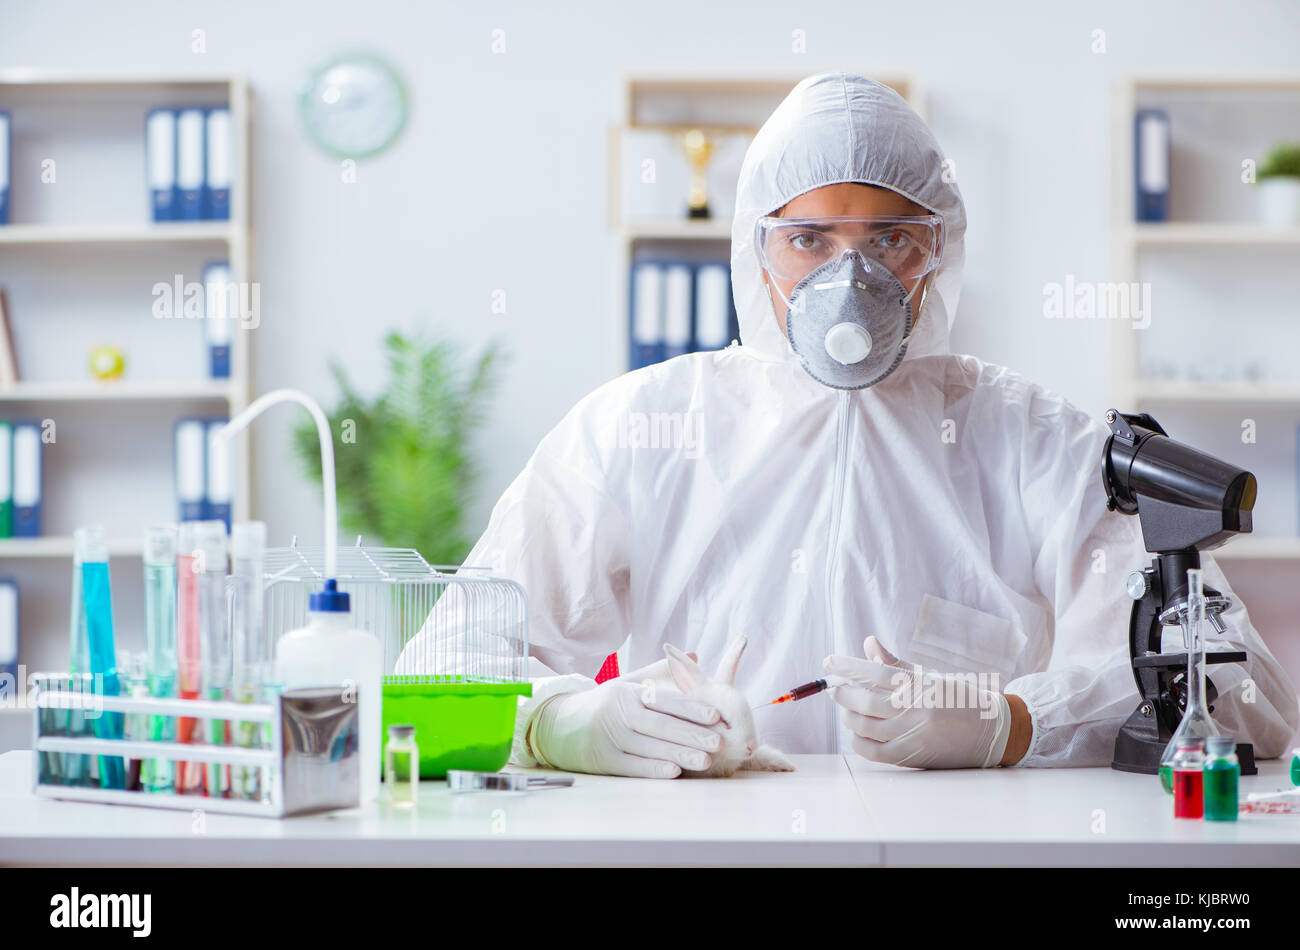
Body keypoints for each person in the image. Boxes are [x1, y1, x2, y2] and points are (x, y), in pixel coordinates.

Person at [403, 72, 1298, 776]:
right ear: (757, 251)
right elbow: (435, 678)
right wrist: (565, 721)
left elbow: (1241, 690)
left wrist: (1016, 722)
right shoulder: (642, 427)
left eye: (889, 239)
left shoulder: (1036, 439)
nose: (851, 276)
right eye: (811, 240)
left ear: (937, 251)